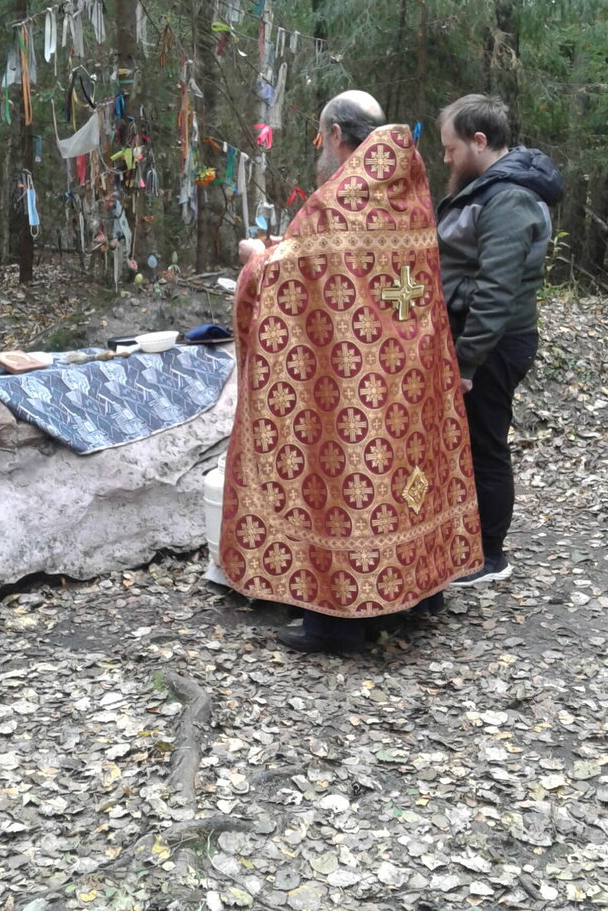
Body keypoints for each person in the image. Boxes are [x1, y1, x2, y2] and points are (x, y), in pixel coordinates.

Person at [220, 90, 484, 653]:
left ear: (337, 135)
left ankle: (338, 624)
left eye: (320, 139)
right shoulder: (409, 192)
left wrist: (255, 258)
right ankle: (415, 597)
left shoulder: (339, 198)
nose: (321, 151)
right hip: (408, 375)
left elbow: (290, 272)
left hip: (351, 379)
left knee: (353, 478)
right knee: (404, 479)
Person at [436, 94, 563, 587]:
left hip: (492, 343)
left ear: (479, 141)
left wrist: (467, 362)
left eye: (451, 149)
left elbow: (496, 291)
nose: (446, 158)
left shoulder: (508, 199)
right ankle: (467, 542)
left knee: (484, 444)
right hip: (476, 338)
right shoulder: (488, 189)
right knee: (468, 441)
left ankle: (490, 556)